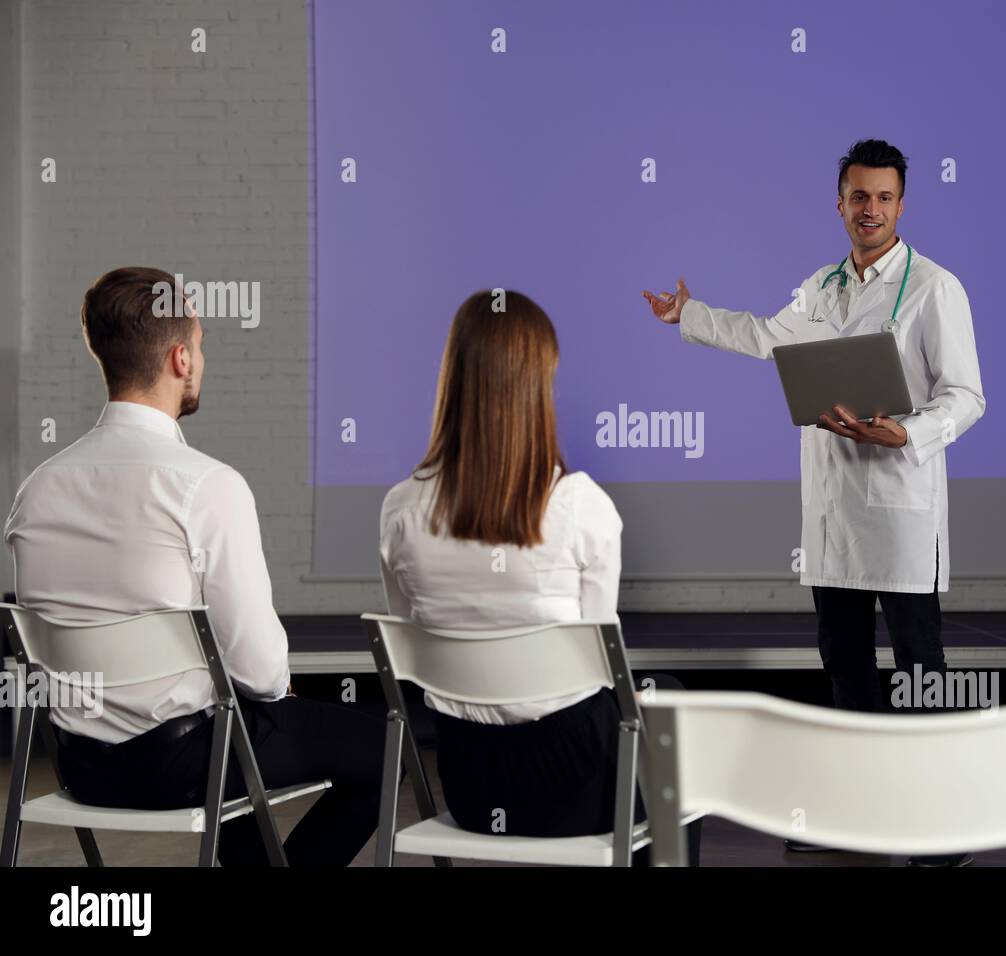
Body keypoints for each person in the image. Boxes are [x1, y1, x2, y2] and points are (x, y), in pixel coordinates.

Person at [643, 139, 984, 865]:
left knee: (921, 672)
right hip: (833, 517)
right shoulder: (820, 287)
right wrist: (690, 315)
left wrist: (905, 431)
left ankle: (942, 822)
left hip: (899, 512)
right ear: (840, 203)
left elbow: (966, 396)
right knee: (844, 667)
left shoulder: (933, 288)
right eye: (858, 197)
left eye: (884, 198)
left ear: (901, 204)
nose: (871, 210)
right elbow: (767, 339)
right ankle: (853, 810)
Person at [4, 266, 386, 866]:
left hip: (79, 767)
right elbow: (261, 671)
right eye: (201, 346)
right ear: (181, 358)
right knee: (380, 745)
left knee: (230, 727)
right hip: (182, 767)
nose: (201, 361)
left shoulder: (35, 490)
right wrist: (262, 684)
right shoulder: (206, 486)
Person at [380, 289, 702, 865]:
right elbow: (602, 666)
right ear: (537, 387)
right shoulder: (581, 506)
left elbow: (412, 646)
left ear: (454, 382)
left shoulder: (400, 511)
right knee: (670, 705)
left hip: (472, 789)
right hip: (578, 791)